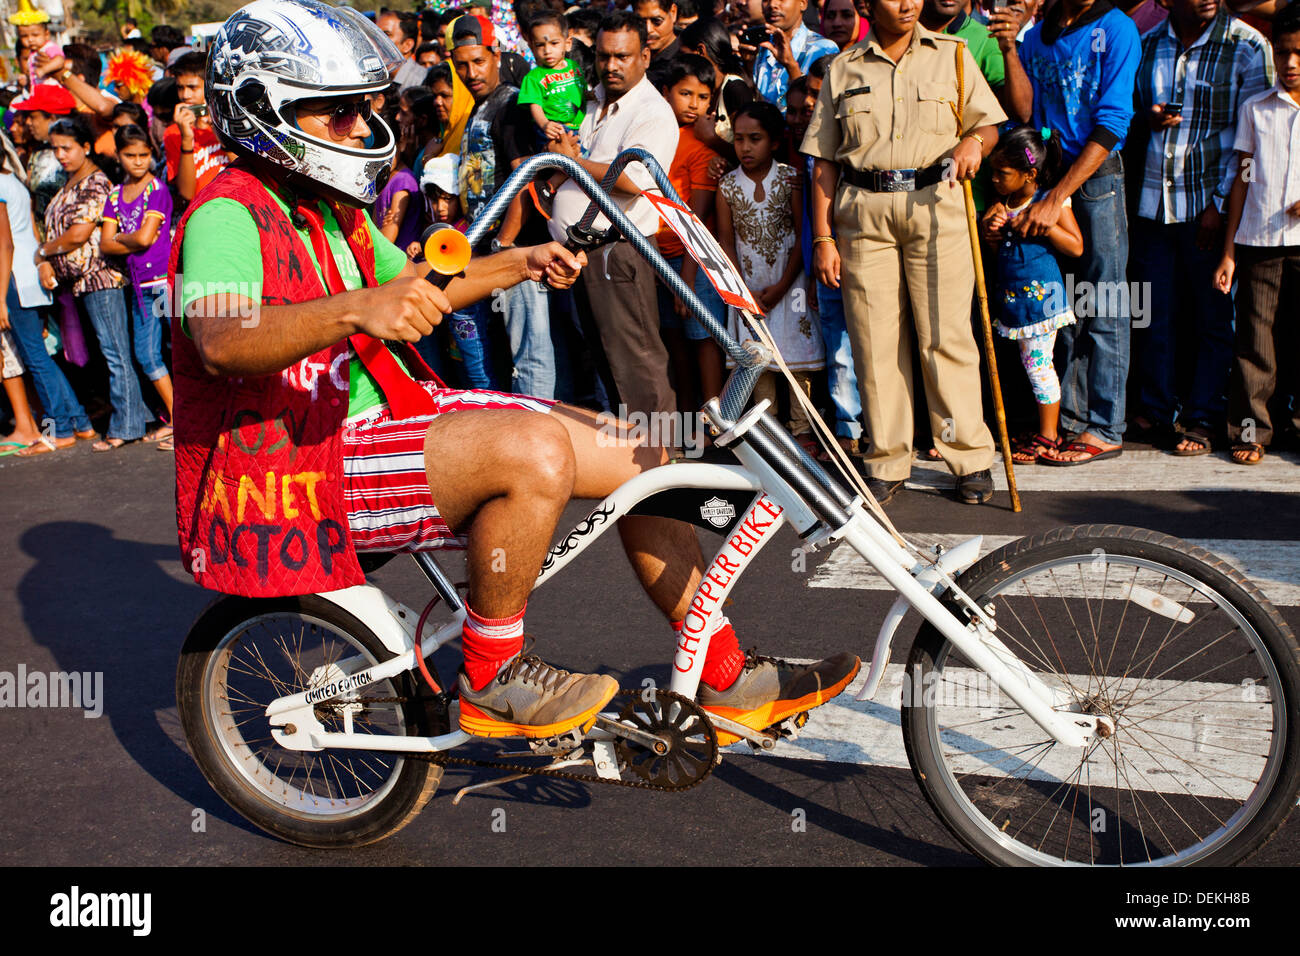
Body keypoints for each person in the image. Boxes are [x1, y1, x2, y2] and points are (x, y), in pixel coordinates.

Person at [180, 0, 857, 740]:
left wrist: (519, 262)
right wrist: (355, 310)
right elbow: (220, 339)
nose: (353, 125)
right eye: (332, 111)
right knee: (531, 451)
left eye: (356, 108)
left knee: (643, 448)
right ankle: (490, 674)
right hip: (306, 458)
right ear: (261, 110)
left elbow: (419, 284)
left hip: (393, 416)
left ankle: (727, 676)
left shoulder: (326, 209)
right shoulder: (227, 212)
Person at [804, 0, 1004, 505]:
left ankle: (969, 458)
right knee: (874, 342)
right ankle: (887, 458)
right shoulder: (842, 68)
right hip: (863, 214)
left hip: (937, 208)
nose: (909, 3)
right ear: (869, 4)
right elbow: (824, 164)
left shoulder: (954, 55)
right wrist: (823, 239)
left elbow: (988, 125)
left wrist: (975, 144)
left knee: (947, 337)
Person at [994, 0, 1141, 466]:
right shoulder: (1039, 33)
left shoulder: (1117, 28)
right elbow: (1024, 112)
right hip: (1050, 178)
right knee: (1067, 304)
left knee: (1106, 300)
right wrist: (1008, 48)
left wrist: (1058, 197)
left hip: (1093, 180)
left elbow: (1113, 121)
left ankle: (1105, 426)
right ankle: (1069, 423)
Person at [1129, 0, 1272, 455]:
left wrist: (1219, 203)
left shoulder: (1248, 46)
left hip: (1211, 207)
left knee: (1212, 320)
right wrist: (1147, 119)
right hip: (1153, 205)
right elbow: (1129, 115)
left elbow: (1253, 135)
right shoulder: (1147, 43)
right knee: (1154, 316)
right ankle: (1156, 410)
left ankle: (1203, 418)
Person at [547, 12, 680, 420]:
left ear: (644, 56)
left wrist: (572, 161)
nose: (610, 65)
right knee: (609, 364)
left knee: (638, 365)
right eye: (604, 56)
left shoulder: (652, 112)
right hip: (586, 253)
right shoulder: (597, 101)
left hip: (620, 252)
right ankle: (636, 466)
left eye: (621, 56)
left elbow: (634, 180)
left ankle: (665, 464)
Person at [452, 13, 559, 400]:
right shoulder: (480, 107)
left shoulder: (511, 104)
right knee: (504, 349)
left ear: (496, 55)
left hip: (517, 249)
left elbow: (525, 177)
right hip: (489, 247)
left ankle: (536, 425)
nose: (471, 72)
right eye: (461, 64)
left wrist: (506, 242)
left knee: (530, 350)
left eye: (479, 61)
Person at [1213, 3, 1300, 466]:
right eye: (1283, 52)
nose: (1290, 64)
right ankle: (1251, 429)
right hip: (1259, 241)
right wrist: (1228, 251)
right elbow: (1242, 177)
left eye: (1299, 53)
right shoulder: (1256, 109)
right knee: (1254, 340)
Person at [37, 115, 149, 452]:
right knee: (109, 354)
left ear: (86, 147)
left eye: (67, 148)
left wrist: (42, 251)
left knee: (116, 354)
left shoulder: (95, 183)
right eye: (55, 149)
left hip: (101, 278)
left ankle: (127, 427)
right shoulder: (69, 183)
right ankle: (133, 416)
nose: (60, 155)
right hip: (80, 284)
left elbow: (79, 233)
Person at [719, 102, 822, 445]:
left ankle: (802, 429)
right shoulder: (727, 187)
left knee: (798, 362)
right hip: (748, 288)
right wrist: (740, 290)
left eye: (755, 139)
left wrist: (782, 286)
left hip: (789, 284)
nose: (745, 147)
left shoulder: (790, 180)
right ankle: (770, 430)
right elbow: (726, 242)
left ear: (775, 142)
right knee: (758, 360)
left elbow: (800, 237)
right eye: (738, 140)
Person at [981, 126, 1083, 463]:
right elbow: (1003, 256)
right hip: (1013, 305)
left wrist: (1049, 225)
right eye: (993, 171)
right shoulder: (1003, 204)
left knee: (1040, 368)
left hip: (1041, 305)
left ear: (1030, 174)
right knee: (1027, 367)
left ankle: (1049, 436)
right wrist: (993, 236)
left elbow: (1077, 247)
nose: (994, 178)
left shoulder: (1049, 202)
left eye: (1003, 173)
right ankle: (1038, 428)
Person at [656, 54, 727, 411]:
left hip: (694, 259)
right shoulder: (658, 133)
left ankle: (714, 418)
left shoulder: (699, 146)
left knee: (704, 338)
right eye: (685, 94)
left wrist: (685, 277)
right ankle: (685, 415)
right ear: (666, 92)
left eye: (702, 97)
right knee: (674, 339)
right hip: (659, 253)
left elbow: (694, 219)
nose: (694, 104)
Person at [101, 123, 175, 449]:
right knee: (146, 355)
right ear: (119, 156)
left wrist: (120, 238)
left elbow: (145, 238)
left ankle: (193, 422)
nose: (138, 161)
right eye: (130, 155)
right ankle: (177, 419)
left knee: (182, 352)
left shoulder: (157, 189)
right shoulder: (114, 195)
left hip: (167, 284)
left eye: (144, 155)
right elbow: (105, 245)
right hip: (140, 287)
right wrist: (123, 240)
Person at [680, 16, 756, 156]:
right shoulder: (710, 88)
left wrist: (711, 139)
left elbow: (751, 151)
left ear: (700, 50)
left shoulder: (734, 89)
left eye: (685, 55)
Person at [164, 51, 233, 202]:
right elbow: (187, 193)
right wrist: (187, 140)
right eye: (180, 88)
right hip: (201, 209)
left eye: (192, 87)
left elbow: (247, 172)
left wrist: (219, 131)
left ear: (209, 86)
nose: (185, 95)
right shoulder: (173, 133)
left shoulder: (231, 121)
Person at [748, 0, 839, 110]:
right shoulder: (760, 47)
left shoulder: (823, 49)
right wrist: (748, 66)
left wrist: (791, 66)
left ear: (803, 3)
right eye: (766, 0)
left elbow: (818, 108)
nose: (772, 5)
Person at [518, 10, 587, 144]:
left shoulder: (574, 67)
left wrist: (589, 95)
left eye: (554, 43)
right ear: (531, 47)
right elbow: (535, 106)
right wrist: (544, 124)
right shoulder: (533, 77)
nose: (547, 51)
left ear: (567, 44)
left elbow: (581, 89)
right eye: (540, 45)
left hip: (581, 126)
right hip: (554, 131)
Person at [378, 9, 430, 90]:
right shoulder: (374, 78)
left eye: (386, 35)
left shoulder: (423, 81)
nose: (377, 40)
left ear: (407, 45)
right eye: (375, 33)